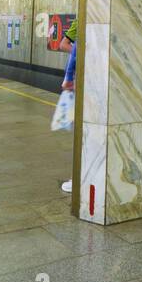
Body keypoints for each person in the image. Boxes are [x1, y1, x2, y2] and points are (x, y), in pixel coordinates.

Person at [59, 18, 78, 194]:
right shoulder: (80, 20)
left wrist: (68, 78)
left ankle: (78, 178)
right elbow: (65, 44)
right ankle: (78, 177)